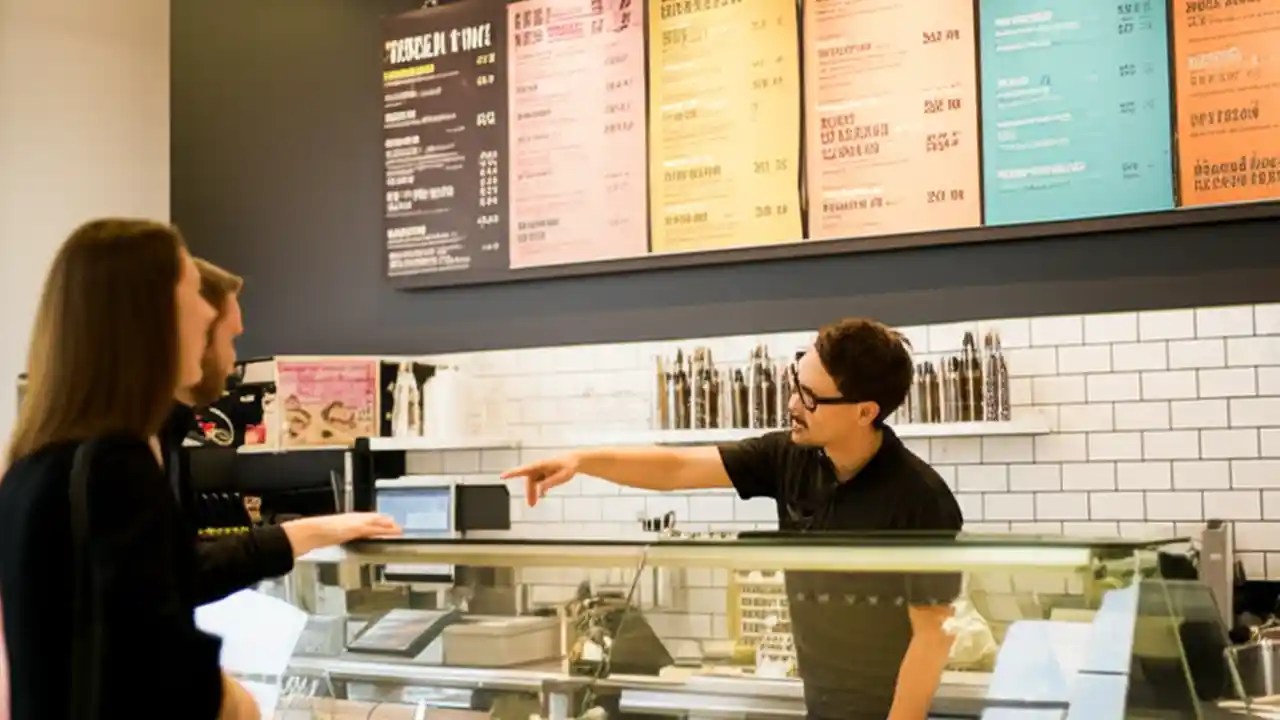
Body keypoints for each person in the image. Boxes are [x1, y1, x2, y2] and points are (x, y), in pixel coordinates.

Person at [502, 318, 964, 720]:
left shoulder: (920, 498)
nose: (792, 404)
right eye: (794, 382)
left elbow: (933, 634)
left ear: (866, 412)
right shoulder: (789, 457)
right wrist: (582, 460)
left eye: (810, 397)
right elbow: (678, 468)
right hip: (820, 703)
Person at [0, 219, 258, 719]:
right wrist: (232, 701)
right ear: (147, 314)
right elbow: (158, 675)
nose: (207, 313)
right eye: (190, 290)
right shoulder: (115, 471)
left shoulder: (33, 466)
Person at [163, 258, 401, 605]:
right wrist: (311, 531)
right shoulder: (121, 453)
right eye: (228, 340)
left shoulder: (164, 441)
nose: (233, 362)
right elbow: (175, 577)